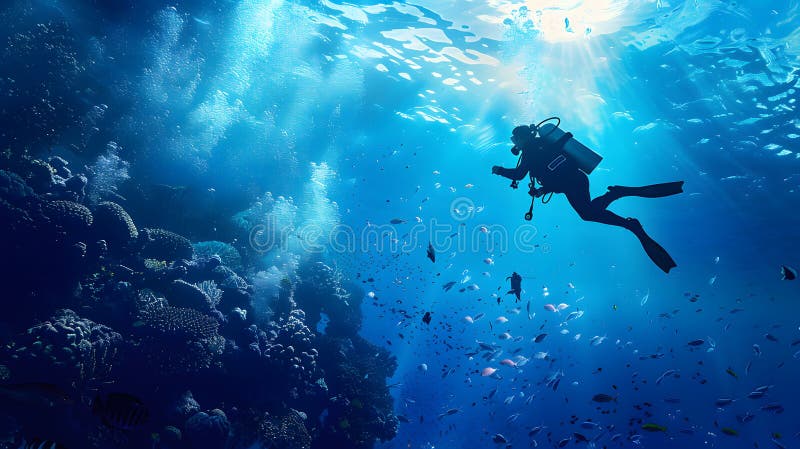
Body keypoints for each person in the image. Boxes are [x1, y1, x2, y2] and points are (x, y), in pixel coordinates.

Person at [491, 124, 683, 273]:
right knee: (589, 211)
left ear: (522, 138)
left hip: (570, 183)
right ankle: (619, 201)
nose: (514, 142)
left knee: (587, 213)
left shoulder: (530, 151)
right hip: (575, 180)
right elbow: (552, 172)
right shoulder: (542, 144)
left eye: (515, 138)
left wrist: (499, 170)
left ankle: (625, 214)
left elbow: (518, 175)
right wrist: (542, 191)